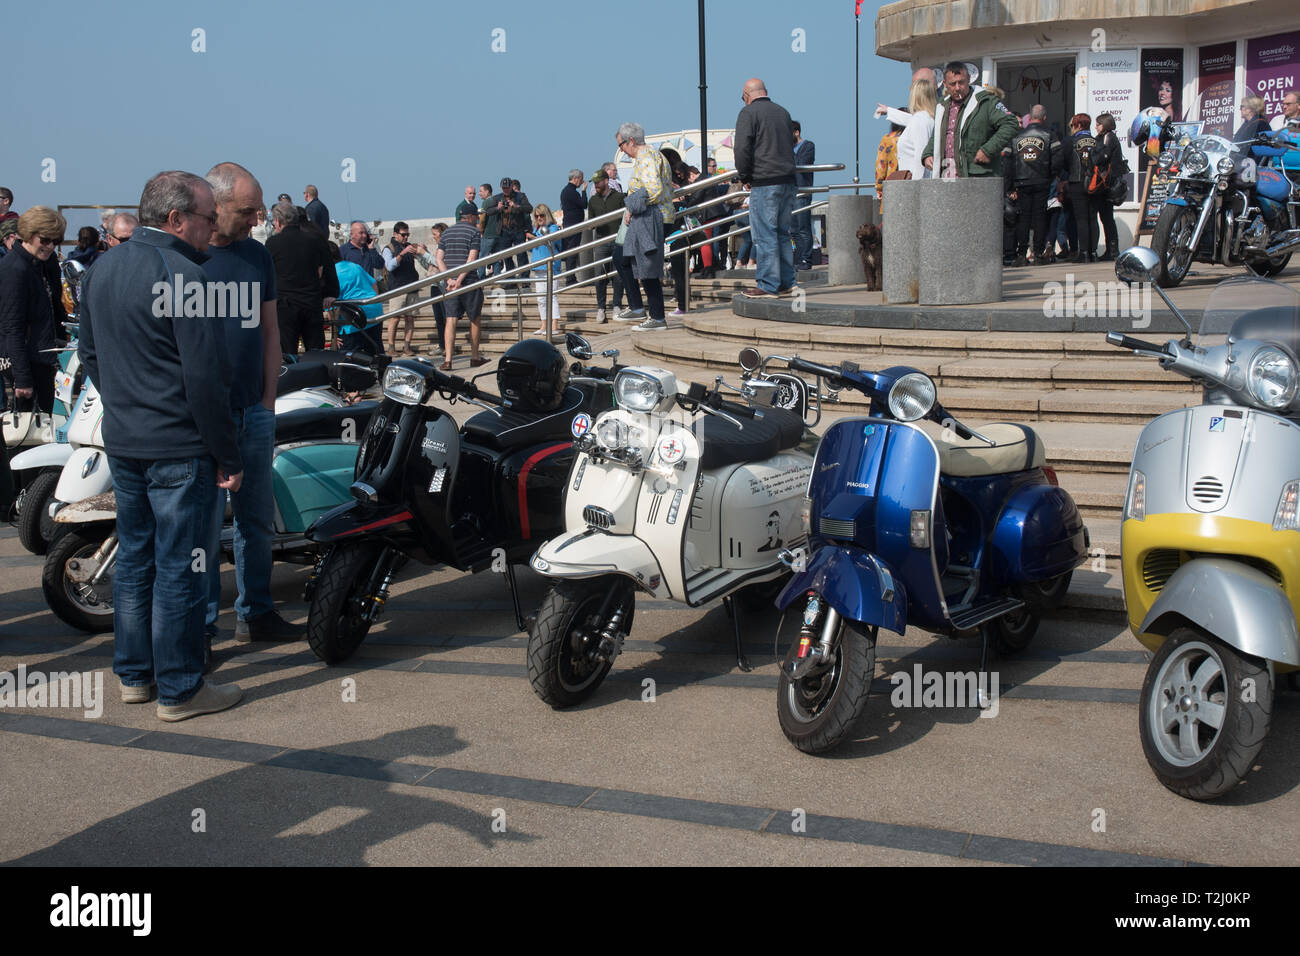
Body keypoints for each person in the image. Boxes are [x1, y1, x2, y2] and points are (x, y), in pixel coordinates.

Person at [77, 170, 244, 721]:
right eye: (206, 218)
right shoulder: (185, 277)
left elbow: (91, 354)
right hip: (179, 444)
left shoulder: (102, 268)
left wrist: (126, 403)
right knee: (182, 565)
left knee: (137, 556)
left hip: (126, 440)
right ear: (175, 219)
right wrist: (227, 453)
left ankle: (135, 675)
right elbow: (206, 380)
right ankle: (180, 688)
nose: (212, 228)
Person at [202, 162, 302, 645]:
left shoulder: (257, 256)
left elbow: (269, 330)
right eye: (247, 210)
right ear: (214, 205)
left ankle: (256, 612)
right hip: (200, 419)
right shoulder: (187, 259)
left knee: (255, 520)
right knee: (200, 527)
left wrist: (266, 401)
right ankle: (201, 626)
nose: (256, 218)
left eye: (259, 209)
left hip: (252, 413)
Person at [0, 206, 68, 417]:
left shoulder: (38, 264)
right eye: (45, 240)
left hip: (42, 357)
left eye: (55, 242)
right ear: (29, 234)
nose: (49, 246)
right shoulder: (15, 269)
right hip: (27, 360)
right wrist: (23, 378)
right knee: (32, 428)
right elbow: (12, 326)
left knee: (47, 420)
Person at [734, 77, 798, 298]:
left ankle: (768, 284)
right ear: (765, 91)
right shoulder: (783, 112)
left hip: (765, 181)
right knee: (782, 233)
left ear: (746, 95)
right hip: (788, 180)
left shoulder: (748, 113)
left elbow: (742, 148)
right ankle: (788, 282)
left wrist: (744, 176)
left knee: (765, 234)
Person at [616, 121, 674, 331]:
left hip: (652, 216)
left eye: (621, 145)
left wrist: (631, 207)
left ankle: (655, 316)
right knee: (625, 258)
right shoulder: (653, 155)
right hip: (654, 215)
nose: (621, 150)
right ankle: (640, 307)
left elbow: (653, 190)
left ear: (631, 141)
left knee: (646, 265)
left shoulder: (647, 157)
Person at [921, 61, 1018, 179]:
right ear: (945, 84)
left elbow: (1011, 123)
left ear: (968, 78)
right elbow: (937, 135)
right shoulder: (942, 106)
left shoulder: (986, 101)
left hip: (977, 177)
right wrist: (927, 154)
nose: (957, 88)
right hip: (947, 179)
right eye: (953, 84)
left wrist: (988, 150)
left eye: (961, 82)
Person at [266, 200, 338, 353]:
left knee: (287, 353)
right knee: (315, 351)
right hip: (311, 302)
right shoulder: (314, 240)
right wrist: (331, 293)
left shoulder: (272, 243)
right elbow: (328, 267)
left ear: (278, 221)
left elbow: (267, 275)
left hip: (285, 305)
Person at [1008, 104, 1065, 267]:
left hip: (1022, 181)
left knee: (1023, 217)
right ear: (1044, 118)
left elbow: (1009, 161)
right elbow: (1058, 158)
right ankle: (1038, 253)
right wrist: (1050, 175)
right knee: (1040, 217)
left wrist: (1011, 184)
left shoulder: (1017, 136)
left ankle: (1021, 254)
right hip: (1041, 181)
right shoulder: (1050, 135)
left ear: (1030, 117)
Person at [436, 209, 485, 369]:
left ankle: (448, 360)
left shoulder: (447, 232)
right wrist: (460, 280)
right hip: (469, 281)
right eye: (476, 217)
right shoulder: (474, 232)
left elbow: (439, 258)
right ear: (470, 217)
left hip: (449, 285)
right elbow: (471, 259)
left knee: (450, 319)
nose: (477, 220)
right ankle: (475, 357)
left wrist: (449, 279)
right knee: (474, 318)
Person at [878, 77, 938, 181]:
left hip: (914, 183)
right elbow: (911, 120)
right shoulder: (929, 118)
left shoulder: (920, 120)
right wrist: (888, 111)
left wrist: (916, 186)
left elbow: (921, 155)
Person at [381, 220, 427, 355]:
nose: (406, 237)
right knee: (394, 318)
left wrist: (423, 250)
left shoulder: (408, 246)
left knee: (410, 318)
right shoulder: (389, 248)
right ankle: (391, 347)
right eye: (403, 235)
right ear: (395, 234)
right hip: (397, 288)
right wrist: (402, 253)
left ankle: (407, 346)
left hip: (412, 286)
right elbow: (389, 266)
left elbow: (423, 261)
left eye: (407, 234)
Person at [330, 241, 384, 354]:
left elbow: (333, 308)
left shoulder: (331, 273)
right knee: (376, 353)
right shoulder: (353, 265)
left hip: (354, 317)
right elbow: (373, 284)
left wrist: (335, 334)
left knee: (349, 359)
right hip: (374, 310)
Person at [587, 167, 625, 322]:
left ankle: (617, 305)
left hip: (617, 240)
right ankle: (601, 308)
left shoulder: (619, 197)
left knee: (618, 275)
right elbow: (591, 222)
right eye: (594, 182)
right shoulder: (593, 200)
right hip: (601, 240)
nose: (596, 185)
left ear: (606, 181)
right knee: (600, 276)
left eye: (598, 182)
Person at [1089, 113, 1123, 261]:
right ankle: (1111, 249)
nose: (1096, 126)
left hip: (1106, 185)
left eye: (1098, 123)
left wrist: (1093, 155)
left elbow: (1100, 157)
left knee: (1107, 218)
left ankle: (1113, 250)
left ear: (1105, 124)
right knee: (1105, 217)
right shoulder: (1102, 138)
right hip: (1103, 184)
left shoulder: (1109, 138)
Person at [485, 177, 532, 276]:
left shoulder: (520, 196)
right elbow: (488, 211)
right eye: (503, 188)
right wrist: (498, 208)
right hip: (504, 231)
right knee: (507, 256)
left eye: (507, 187)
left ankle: (525, 279)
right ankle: (511, 280)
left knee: (522, 255)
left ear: (511, 186)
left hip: (518, 230)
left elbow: (529, 208)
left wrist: (516, 206)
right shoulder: (497, 198)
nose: (505, 190)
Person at [527, 204, 562, 335]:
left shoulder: (552, 227)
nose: (539, 218)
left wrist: (533, 238)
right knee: (541, 298)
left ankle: (554, 325)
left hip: (551, 266)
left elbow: (549, 240)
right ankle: (543, 324)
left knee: (551, 296)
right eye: (536, 216)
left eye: (541, 215)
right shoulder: (536, 229)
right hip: (538, 266)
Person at [792, 121, 816, 271]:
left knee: (803, 228)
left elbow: (800, 163)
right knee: (793, 230)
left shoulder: (808, 146)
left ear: (796, 132)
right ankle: (798, 259)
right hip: (789, 193)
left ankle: (806, 259)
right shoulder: (787, 149)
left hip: (802, 192)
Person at [559, 169, 587, 286]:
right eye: (580, 179)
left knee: (572, 251)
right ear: (575, 178)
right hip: (573, 225)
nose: (582, 182)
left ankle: (571, 277)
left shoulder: (567, 191)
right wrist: (584, 191)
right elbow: (584, 204)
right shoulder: (571, 192)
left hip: (570, 224)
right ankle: (570, 279)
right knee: (572, 252)